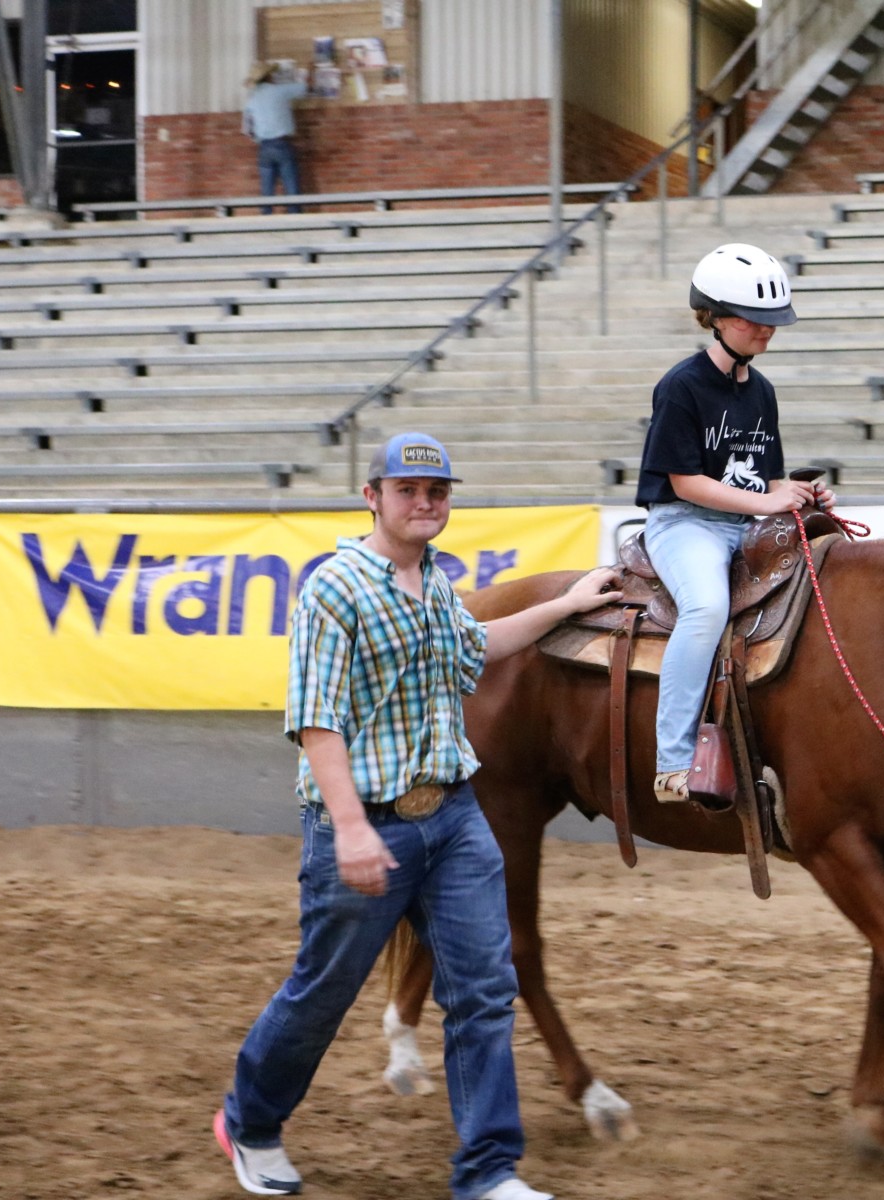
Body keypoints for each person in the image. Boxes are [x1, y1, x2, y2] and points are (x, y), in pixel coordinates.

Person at [214, 432, 619, 1200]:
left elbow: (476, 647)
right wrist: (352, 827)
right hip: (369, 822)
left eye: (437, 491)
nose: (425, 503)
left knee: (484, 992)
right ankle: (251, 1122)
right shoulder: (334, 589)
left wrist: (566, 606)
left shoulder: (435, 581)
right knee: (322, 992)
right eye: (408, 490)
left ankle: (488, 1170)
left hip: (455, 819)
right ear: (373, 497)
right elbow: (316, 720)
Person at [633, 243, 832, 804]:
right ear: (716, 317)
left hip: (744, 522)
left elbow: (766, 479)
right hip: (685, 524)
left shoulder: (762, 391)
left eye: (773, 321)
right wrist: (766, 501)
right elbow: (683, 482)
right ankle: (673, 762)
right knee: (706, 608)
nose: (767, 330)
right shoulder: (681, 386)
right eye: (753, 319)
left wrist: (799, 494)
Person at [244, 62, 306, 214]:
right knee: (291, 188)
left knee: (267, 191)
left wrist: (259, 138)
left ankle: (266, 220)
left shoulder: (251, 100)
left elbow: (247, 130)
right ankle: (295, 220)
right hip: (282, 143)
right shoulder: (280, 91)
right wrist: (308, 70)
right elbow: (304, 88)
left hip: (264, 147)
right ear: (269, 76)